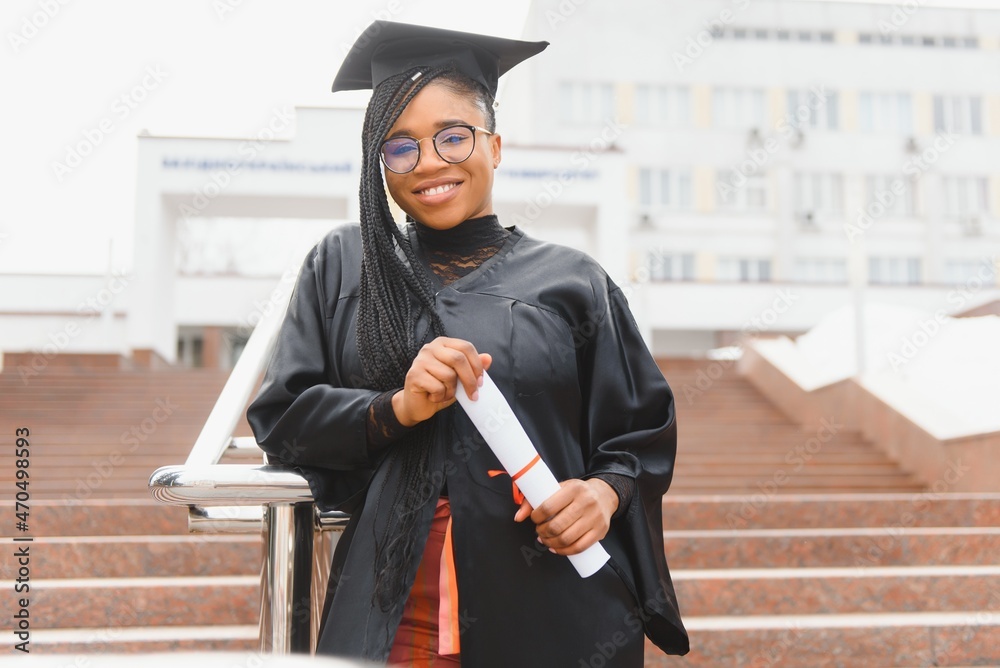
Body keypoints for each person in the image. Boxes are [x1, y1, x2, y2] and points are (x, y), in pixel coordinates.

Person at [247, 20, 689, 667]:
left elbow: (638, 434)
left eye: (452, 137)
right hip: (394, 612)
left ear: (495, 145)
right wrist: (398, 407)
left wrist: (601, 495)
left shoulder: (572, 281)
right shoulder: (343, 267)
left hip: (552, 609)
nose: (428, 163)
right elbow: (285, 419)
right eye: (399, 148)